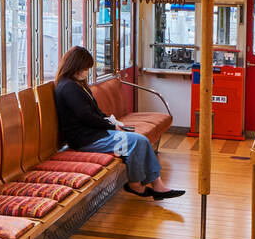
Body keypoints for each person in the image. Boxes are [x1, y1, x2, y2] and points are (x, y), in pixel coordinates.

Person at [53, 46, 185, 200]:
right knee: (138, 141)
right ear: (76, 66)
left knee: (139, 141)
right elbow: (86, 116)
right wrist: (110, 125)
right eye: (85, 68)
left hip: (94, 135)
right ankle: (137, 184)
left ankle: (155, 184)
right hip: (87, 140)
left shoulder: (74, 85)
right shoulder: (69, 88)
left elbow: (93, 112)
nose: (86, 72)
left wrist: (109, 120)